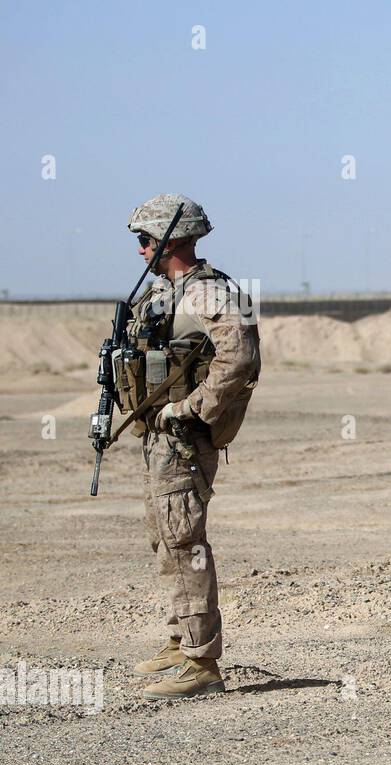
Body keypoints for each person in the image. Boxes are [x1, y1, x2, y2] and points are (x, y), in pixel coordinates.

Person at [118, 194, 260, 698]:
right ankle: (181, 640)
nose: (140, 251)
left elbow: (239, 359)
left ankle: (203, 664)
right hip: (156, 434)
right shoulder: (164, 293)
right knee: (164, 537)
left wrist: (191, 409)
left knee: (185, 539)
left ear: (172, 240)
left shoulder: (211, 293)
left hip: (182, 436)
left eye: (145, 240)